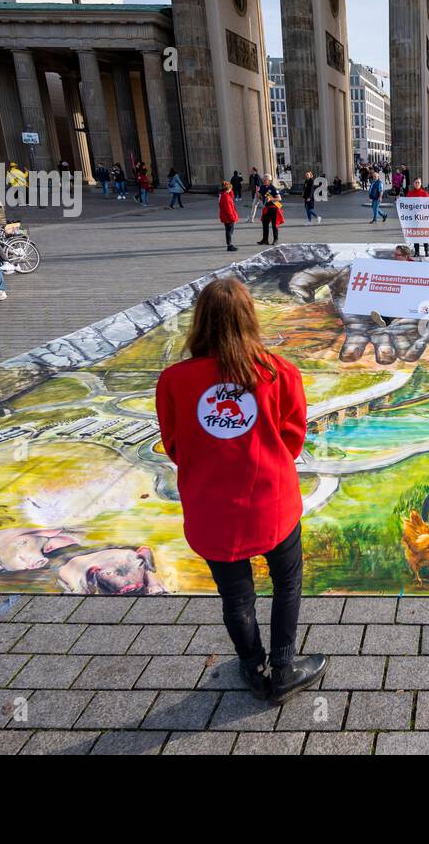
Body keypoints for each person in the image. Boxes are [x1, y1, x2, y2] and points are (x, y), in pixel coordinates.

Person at [154, 277, 325, 703]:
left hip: (211, 508)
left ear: (200, 322)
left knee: (236, 594)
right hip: (272, 502)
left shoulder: (174, 380)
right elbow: (292, 438)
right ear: (250, 318)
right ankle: (284, 668)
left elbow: (175, 445)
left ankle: (252, 666)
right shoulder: (278, 372)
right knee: (287, 582)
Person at [407, 178, 429, 256]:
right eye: (416, 182)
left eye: (418, 182)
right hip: (413, 217)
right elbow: (405, 204)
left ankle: (426, 251)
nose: (417, 184)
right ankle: (417, 251)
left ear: (421, 184)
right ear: (413, 183)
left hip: (423, 218)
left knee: (424, 235)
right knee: (415, 235)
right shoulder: (410, 194)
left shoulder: (425, 193)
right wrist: (398, 199)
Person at [219, 180, 239, 252]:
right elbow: (228, 209)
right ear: (228, 188)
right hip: (228, 216)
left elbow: (232, 197)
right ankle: (229, 245)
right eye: (230, 188)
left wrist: (230, 191)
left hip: (225, 216)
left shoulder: (224, 194)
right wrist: (232, 217)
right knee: (229, 231)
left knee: (229, 230)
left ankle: (229, 244)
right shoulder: (225, 197)